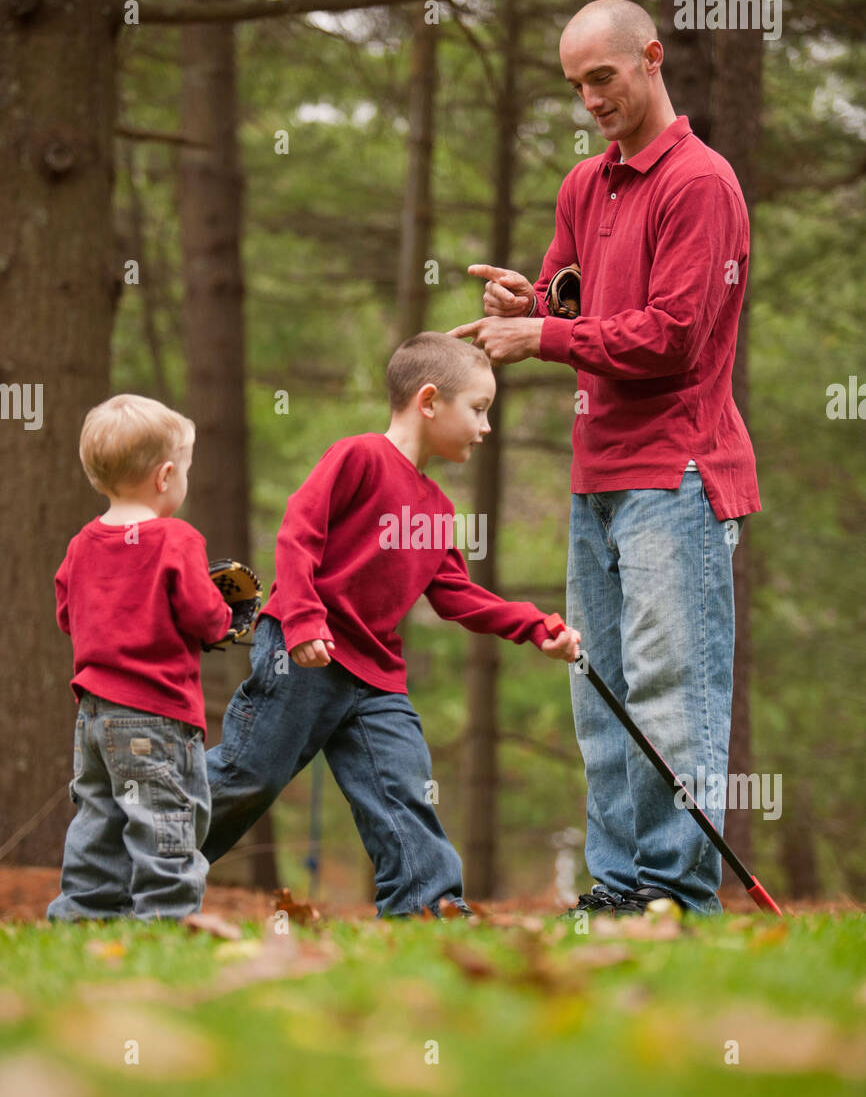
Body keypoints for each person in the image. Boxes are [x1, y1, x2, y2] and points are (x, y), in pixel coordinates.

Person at [451, 0, 761, 917]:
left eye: (603, 77)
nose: (590, 98)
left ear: (651, 60)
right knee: (603, 696)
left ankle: (674, 893)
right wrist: (527, 299)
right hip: (599, 476)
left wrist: (541, 337)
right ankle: (621, 886)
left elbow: (671, 336)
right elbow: (573, 297)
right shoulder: (586, 187)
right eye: (576, 84)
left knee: (672, 691)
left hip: (681, 474)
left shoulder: (700, 183)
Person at [202, 332, 581, 916]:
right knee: (249, 774)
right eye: (478, 410)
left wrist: (533, 625)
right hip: (305, 651)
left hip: (374, 675)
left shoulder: (436, 508)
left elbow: (455, 595)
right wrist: (303, 621)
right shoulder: (357, 457)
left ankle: (425, 909)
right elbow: (297, 536)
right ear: (429, 401)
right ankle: (147, 856)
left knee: (402, 788)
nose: (485, 428)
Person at [47, 395, 233, 922]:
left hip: (93, 717)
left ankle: (82, 918)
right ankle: (164, 921)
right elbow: (203, 615)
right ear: (165, 475)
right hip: (156, 716)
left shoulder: (82, 543)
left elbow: (68, 615)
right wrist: (226, 617)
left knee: (97, 820)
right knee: (166, 821)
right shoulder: (176, 538)